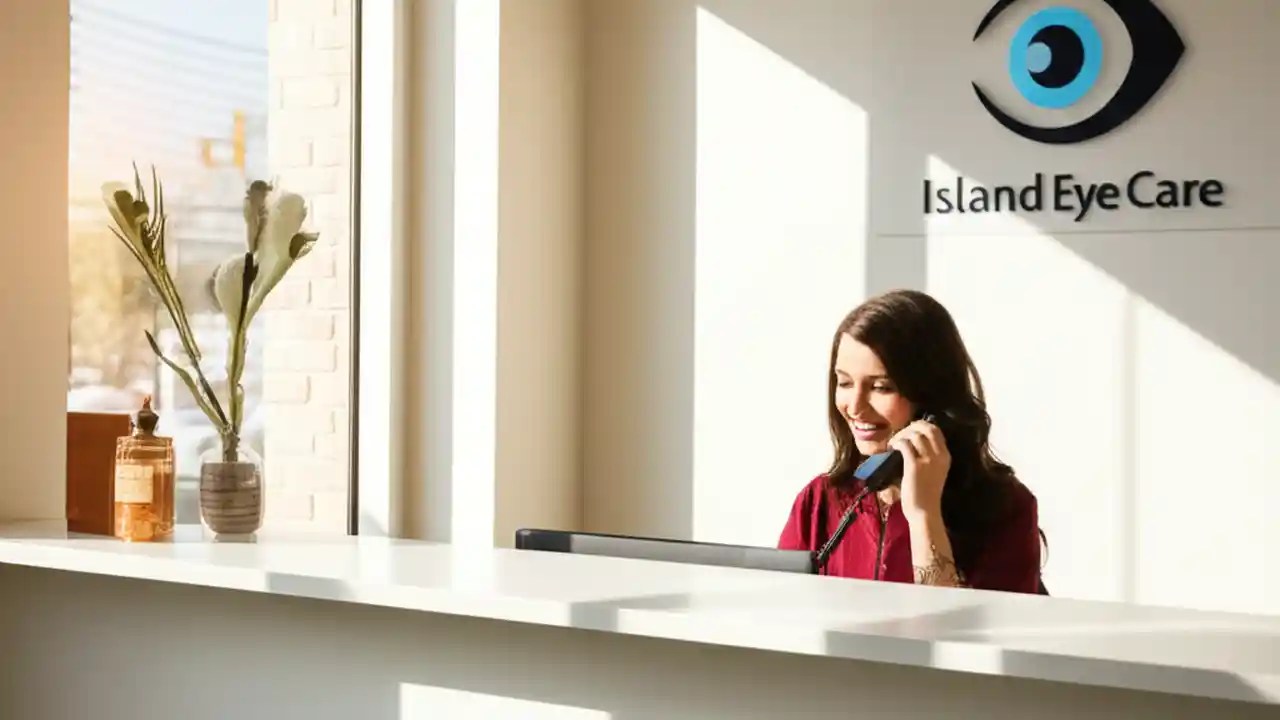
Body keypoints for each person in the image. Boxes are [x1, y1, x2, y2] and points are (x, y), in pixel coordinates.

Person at [778, 289, 1044, 593]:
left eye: (881, 387)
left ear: (931, 398)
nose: (854, 406)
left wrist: (924, 514)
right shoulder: (819, 502)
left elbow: (950, 632)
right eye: (845, 383)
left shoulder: (1006, 509)